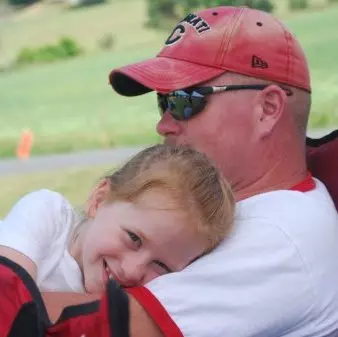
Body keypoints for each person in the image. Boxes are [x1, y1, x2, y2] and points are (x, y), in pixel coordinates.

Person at [32, 5, 338, 337]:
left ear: (267, 109)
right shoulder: (238, 213)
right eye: (163, 102)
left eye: (185, 100)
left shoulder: (281, 238)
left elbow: (87, 327)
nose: (163, 124)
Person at [0, 144, 234, 293]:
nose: (133, 271)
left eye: (162, 266)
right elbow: (7, 290)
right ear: (99, 200)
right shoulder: (48, 215)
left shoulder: (133, 307)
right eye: (133, 238)